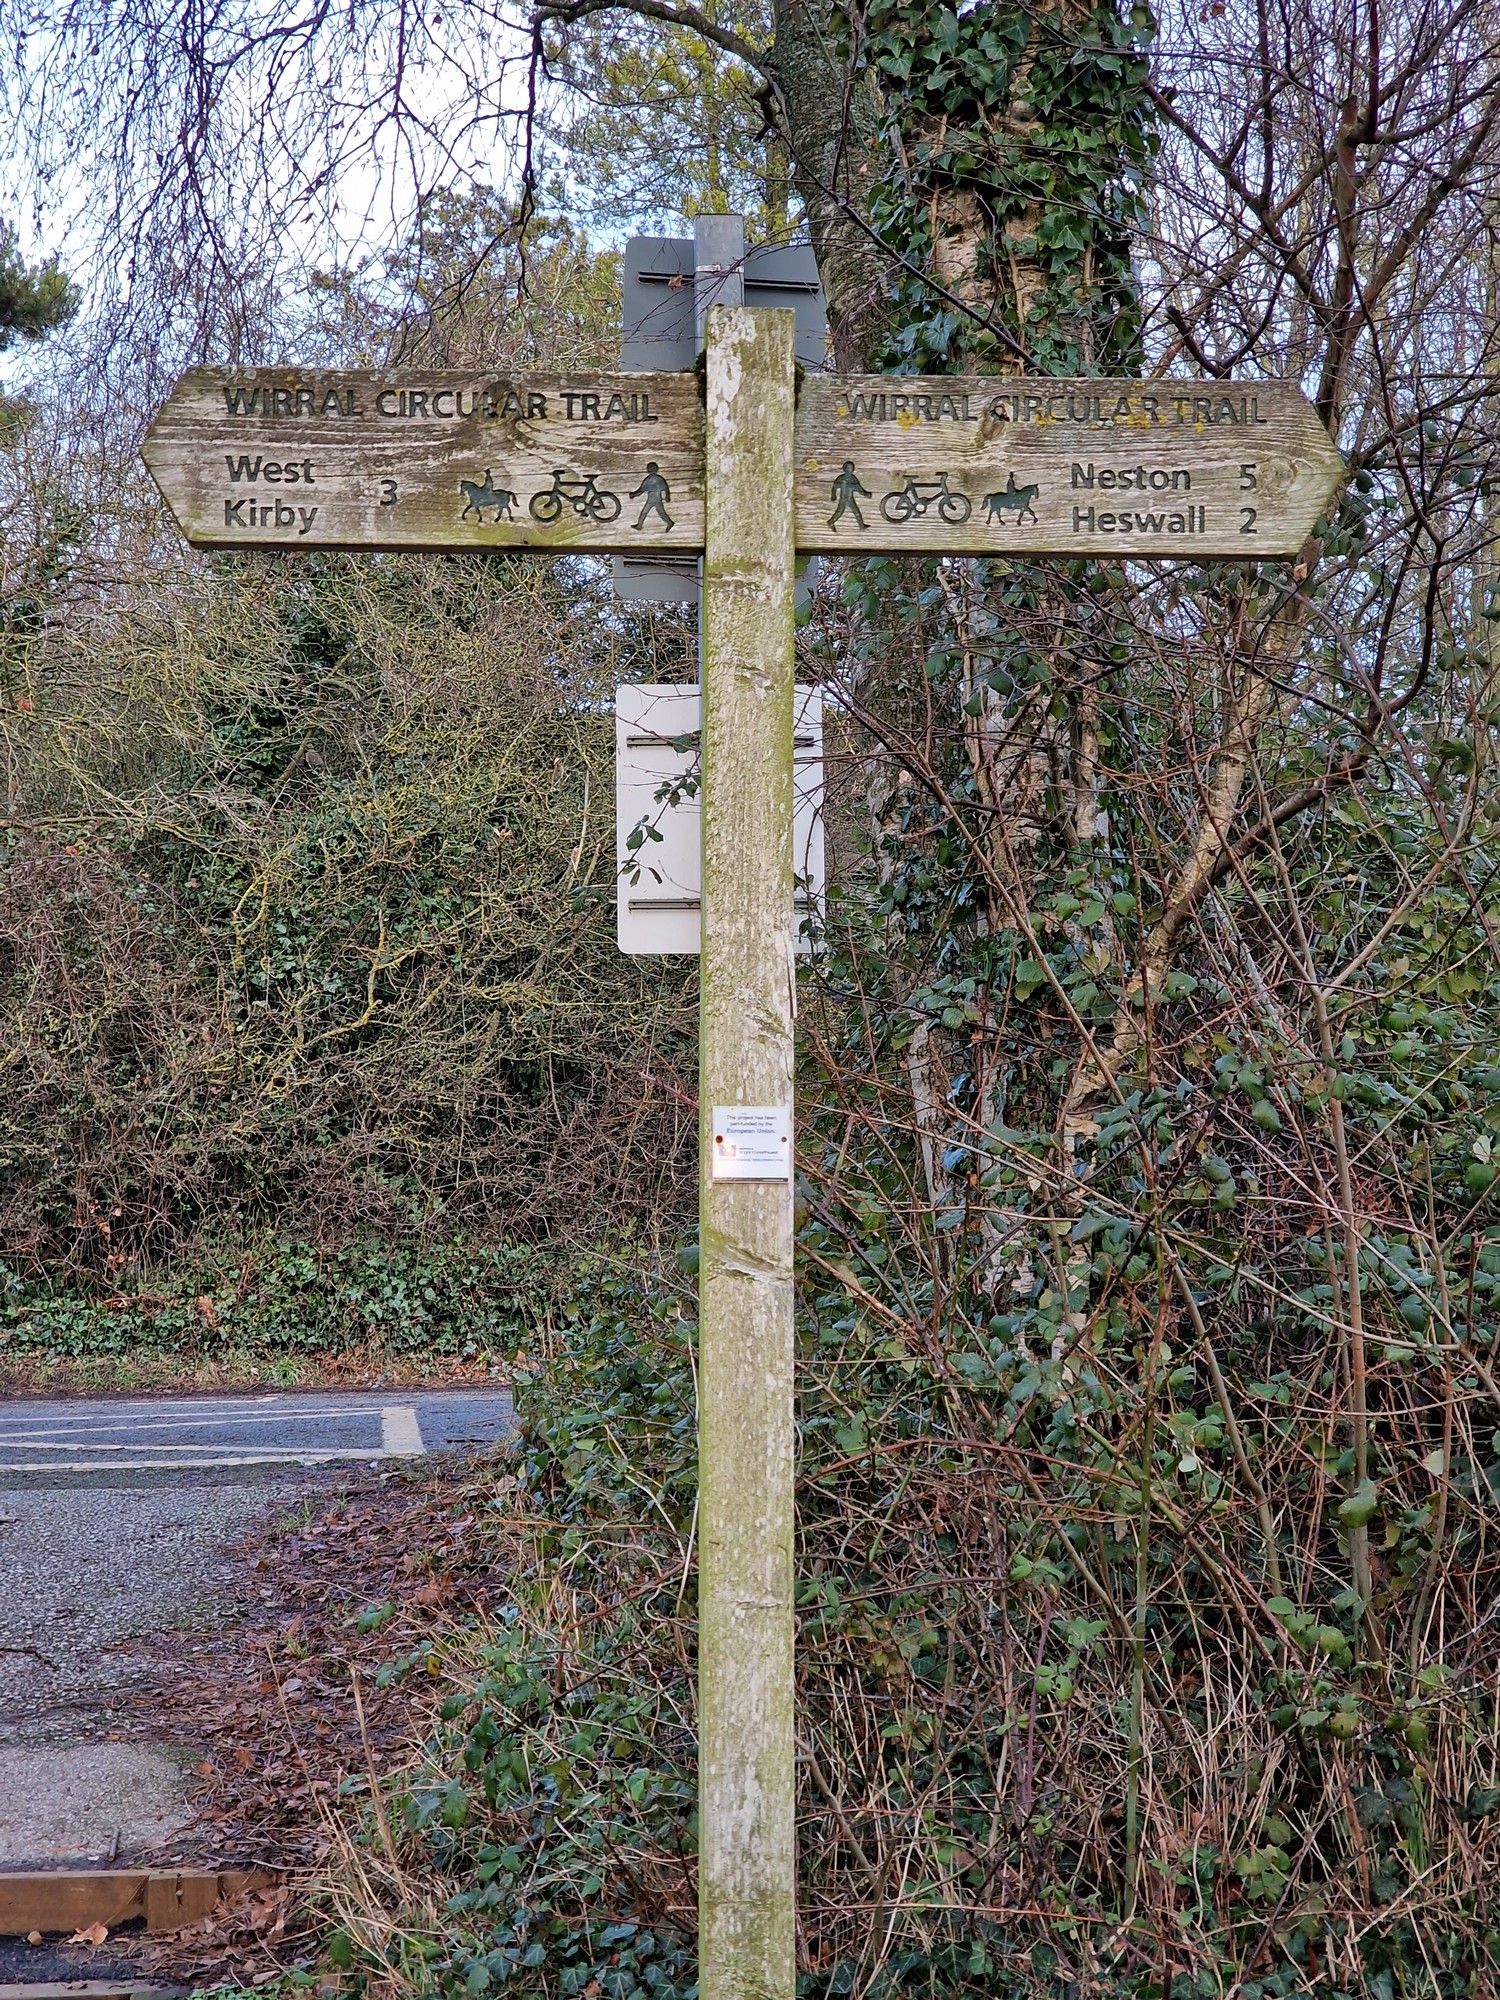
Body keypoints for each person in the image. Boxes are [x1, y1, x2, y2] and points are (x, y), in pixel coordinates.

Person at [828, 460, 871, 530]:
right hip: (844, 499)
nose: (851, 470)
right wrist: (833, 496)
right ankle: (831, 522)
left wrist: (865, 494)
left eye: (851, 468)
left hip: (849, 498)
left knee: (855, 511)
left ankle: (861, 525)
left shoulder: (852, 479)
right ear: (845, 469)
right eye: (849, 468)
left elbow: (859, 488)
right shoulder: (842, 479)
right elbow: (835, 487)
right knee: (840, 512)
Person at [631, 462, 674, 529]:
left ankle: (669, 523)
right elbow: (666, 488)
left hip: (653, 500)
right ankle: (639, 525)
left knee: (646, 512)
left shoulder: (649, 480)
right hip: (656, 499)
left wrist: (633, 495)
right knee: (658, 512)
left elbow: (641, 490)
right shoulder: (660, 479)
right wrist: (667, 496)